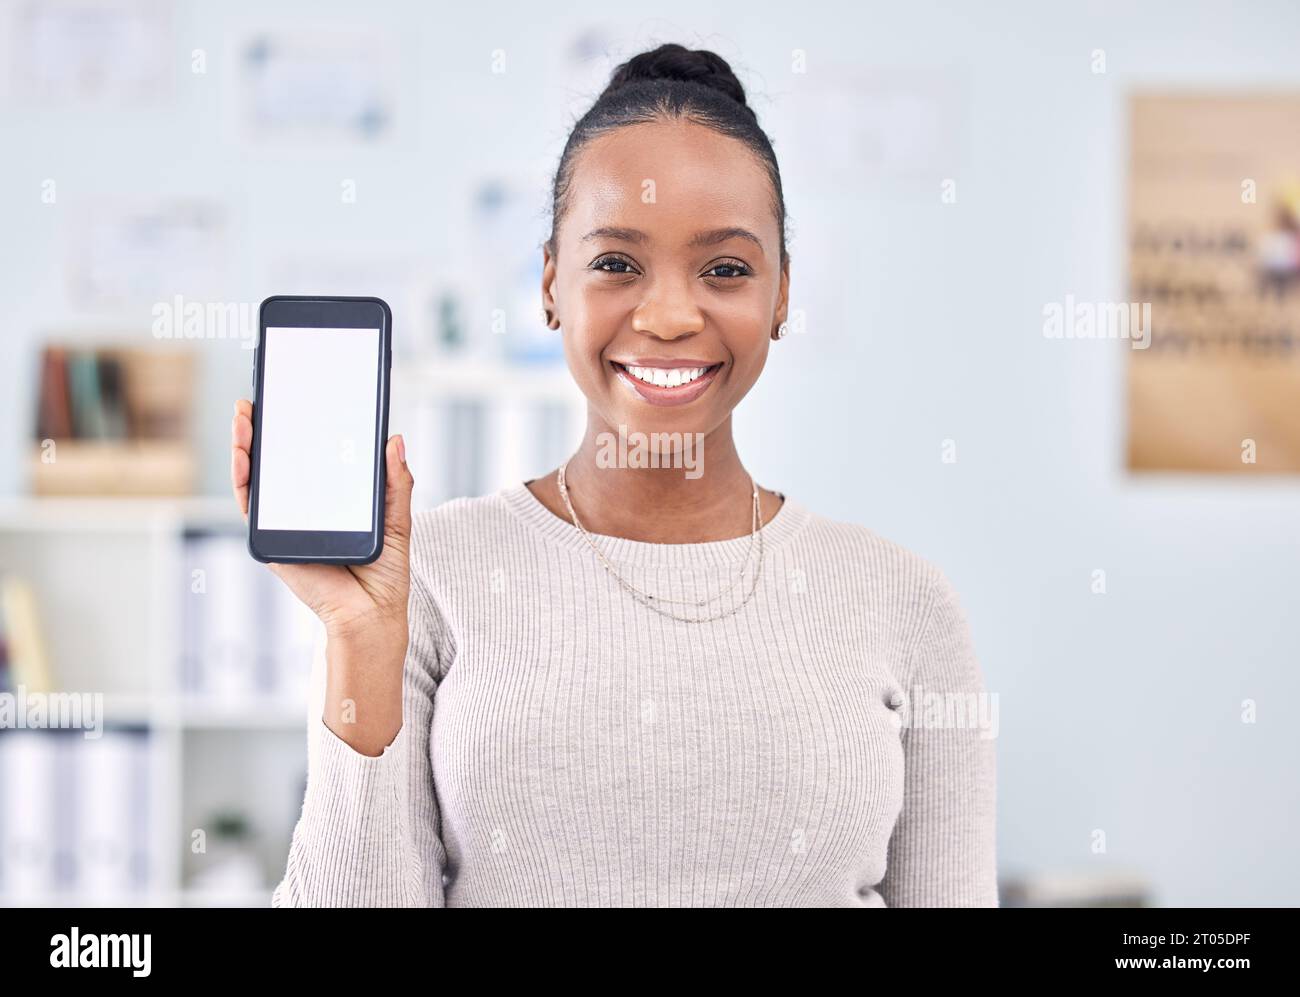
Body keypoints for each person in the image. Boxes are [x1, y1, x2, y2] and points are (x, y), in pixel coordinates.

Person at [230, 42, 997, 907]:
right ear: (551, 284)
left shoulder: (904, 600)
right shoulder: (430, 577)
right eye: (617, 263)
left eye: (726, 269)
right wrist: (359, 638)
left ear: (781, 294)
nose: (669, 314)